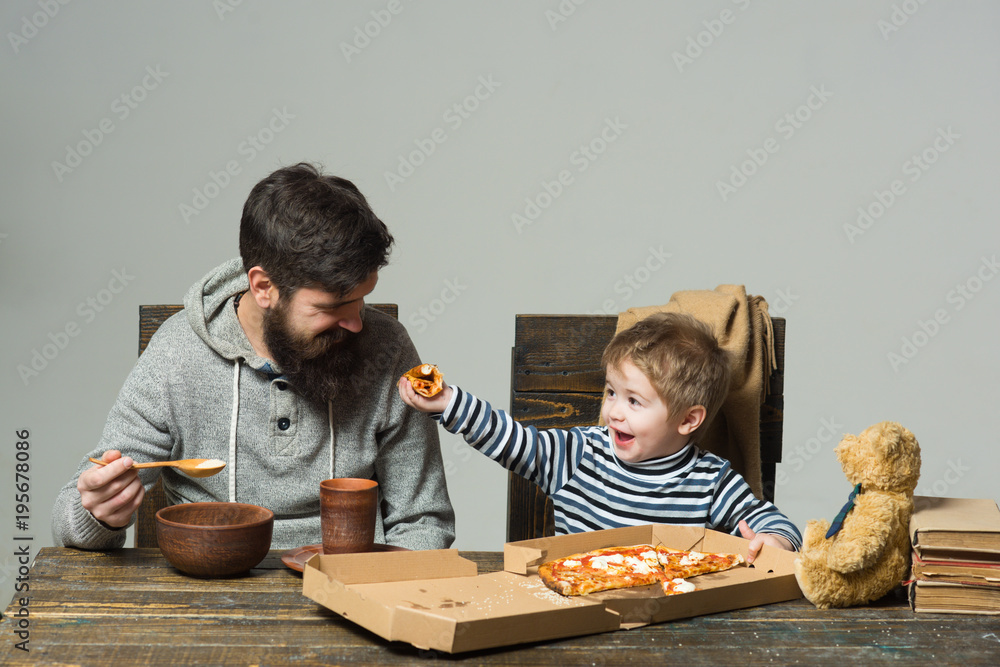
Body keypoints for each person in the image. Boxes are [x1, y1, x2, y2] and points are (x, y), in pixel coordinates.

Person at [53, 163, 455, 551]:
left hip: (350, 584)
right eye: (333, 306)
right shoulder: (177, 354)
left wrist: (381, 590)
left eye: (362, 298)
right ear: (263, 287)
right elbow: (69, 519)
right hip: (212, 581)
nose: (356, 322)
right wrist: (100, 515)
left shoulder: (386, 347)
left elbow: (423, 521)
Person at [399, 312, 800, 562]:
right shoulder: (580, 454)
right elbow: (512, 439)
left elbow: (772, 521)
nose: (613, 412)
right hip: (576, 606)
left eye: (634, 401)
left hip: (667, 623)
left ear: (687, 420)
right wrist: (449, 402)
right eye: (611, 392)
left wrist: (775, 541)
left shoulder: (711, 481)